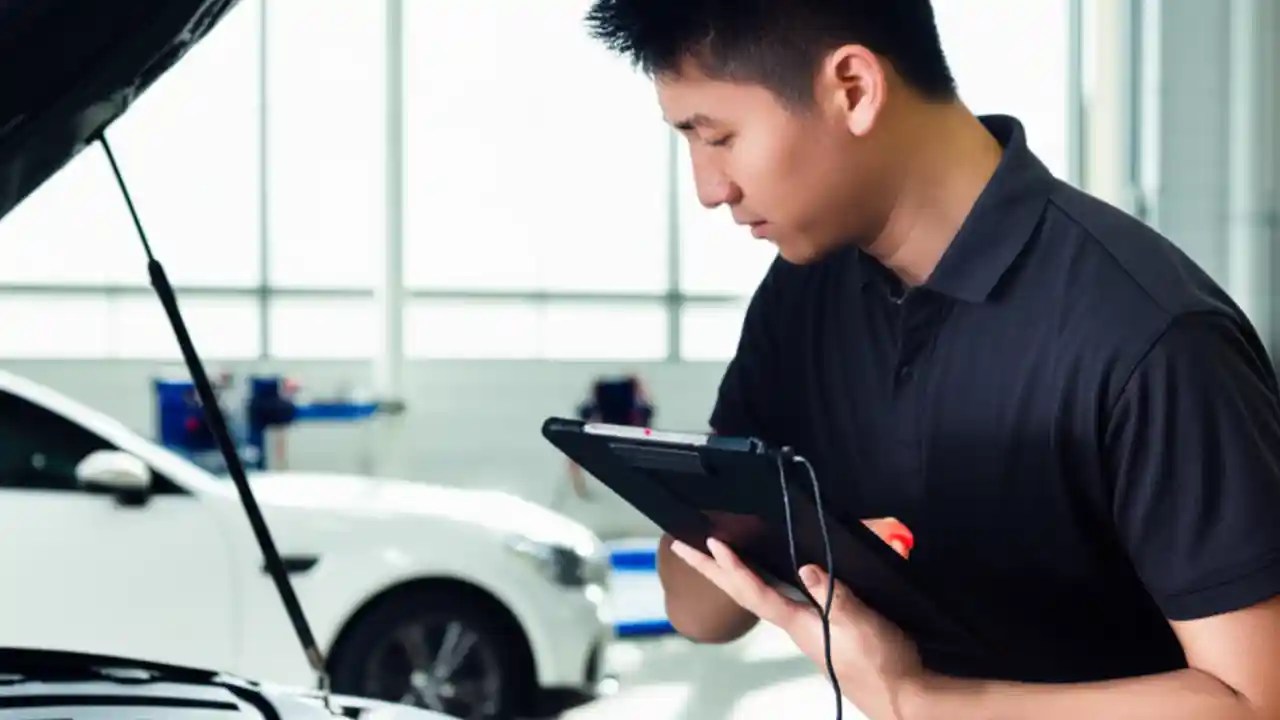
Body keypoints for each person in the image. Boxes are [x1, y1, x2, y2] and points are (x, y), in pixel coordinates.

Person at [584, 1, 1280, 719]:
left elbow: (1256, 701)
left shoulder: (1149, 333)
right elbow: (700, 613)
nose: (710, 189)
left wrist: (917, 700)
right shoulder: (806, 293)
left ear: (853, 88)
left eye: (718, 138)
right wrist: (752, 526)